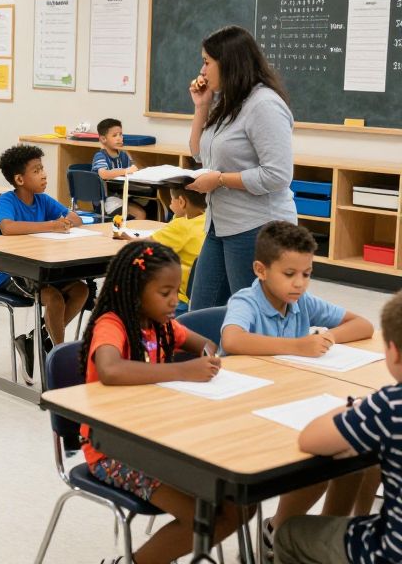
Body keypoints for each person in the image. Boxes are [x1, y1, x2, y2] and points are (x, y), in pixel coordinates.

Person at [79, 240, 242, 564]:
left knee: (240, 503)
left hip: (158, 439)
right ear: (136, 291)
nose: (174, 300)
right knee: (202, 517)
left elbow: (206, 344)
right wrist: (181, 370)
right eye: (165, 293)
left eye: (177, 291)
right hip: (111, 448)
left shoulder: (162, 326)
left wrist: (209, 357)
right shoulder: (112, 323)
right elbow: (110, 369)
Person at [220, 221, 374, 557]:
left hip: (293, 401)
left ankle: (325, 534)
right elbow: (232, 339)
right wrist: (296, 345)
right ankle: (277, 533)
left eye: (307, 273)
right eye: (290, 273)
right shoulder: (246, 300)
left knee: (355, 457)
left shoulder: (304, 302)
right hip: (246, 410)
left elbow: (363, 324)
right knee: (316, 472)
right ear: (261, 270)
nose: (300, 283)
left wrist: (327, 337)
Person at [275, 289, 402, 564]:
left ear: (393, 352)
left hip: (390, 552)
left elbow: (310, 439)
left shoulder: (390, 406)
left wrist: (350, 407)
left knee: (289, 533)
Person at [186, 25, 296, 310]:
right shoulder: (229, 102)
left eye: (207, 62)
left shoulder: (264, 105)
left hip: (257, 228)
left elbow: (277, 175)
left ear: (229, 62)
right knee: (201, 316)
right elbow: (198, 153)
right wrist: (202, 107)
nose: (202, 70)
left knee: (253, 318)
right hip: (220, 225)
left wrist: (220, 180)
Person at [0, 144, 89, 384]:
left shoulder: (43, 200)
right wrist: (51, 225)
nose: (44, 174)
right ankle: (59, 356)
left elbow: (75, 218)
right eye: (36, 170)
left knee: (81, 289)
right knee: (54, 298)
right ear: (19, 179)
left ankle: (36, 338)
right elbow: (7, 227)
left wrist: (66, 221)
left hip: (42, 270)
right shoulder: (8, 200)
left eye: (42, 168)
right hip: (12, 272)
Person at [118, 186, 206, 314]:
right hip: (201, 295)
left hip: (182, 300)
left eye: (171, 200)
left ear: (182, 202)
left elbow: (145, 244)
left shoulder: (181, 226)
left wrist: (127, 237)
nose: (169, 204)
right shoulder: (205, 219)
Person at [93, 118, 146, 220]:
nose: (119, 138)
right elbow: (103, 174)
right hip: (107, 201)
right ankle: (130, 235)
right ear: (103, 139)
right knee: (140, 214)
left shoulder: (123, 155)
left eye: (120, 134)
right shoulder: (100, 156)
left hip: (123, 195)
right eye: (114, 135)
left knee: (152, 206)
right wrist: (125, 171)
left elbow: (132, 169)